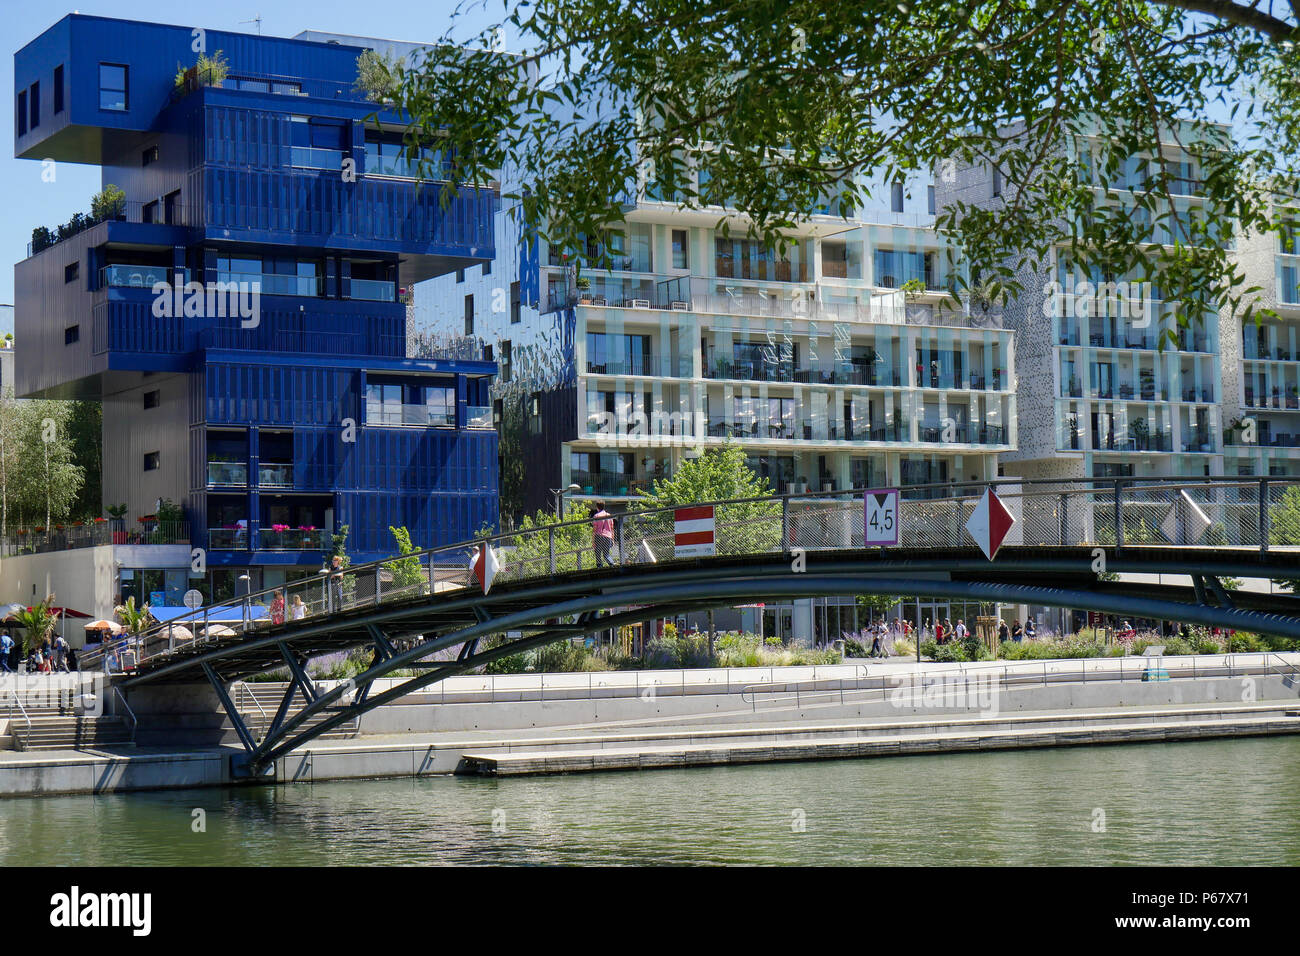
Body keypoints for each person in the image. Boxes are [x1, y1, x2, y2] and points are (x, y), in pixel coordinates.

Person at [591, 500, 615, 568]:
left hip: (599, 536)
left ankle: (600, 567)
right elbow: (612, 528)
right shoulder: (609, 516)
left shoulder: (596, 516)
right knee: (606, 554)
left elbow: (594, 530)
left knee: (598, 552)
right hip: (608, 536)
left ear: (597, 507)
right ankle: (612, 565)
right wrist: (612, 539)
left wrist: (593, 541)